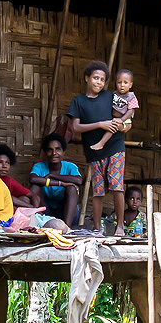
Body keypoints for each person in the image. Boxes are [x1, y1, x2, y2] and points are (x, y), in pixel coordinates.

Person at [67, 60, 126, 235]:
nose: (98, 82)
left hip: (115, 147)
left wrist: (123, 125)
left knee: (117, 186)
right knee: (98, 191)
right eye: (95, 78)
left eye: (102, 79)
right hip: (94, 151)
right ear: (87, 78)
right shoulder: (78, 101)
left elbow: (126, 115)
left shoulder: (110, 97)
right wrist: (100, 124)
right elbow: (75, 127)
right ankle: (97, 228)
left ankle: (120, 227)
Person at [28, 133, 81, 224]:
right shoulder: (39, 166)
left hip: (65, 212)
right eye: (50, 150)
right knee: (35, 187)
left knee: (72, 188)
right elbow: (32, 179)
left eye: (58, 149)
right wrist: (61, 183)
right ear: (45, 153)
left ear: (63, 151)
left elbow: (78, 180)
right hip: (45, 210)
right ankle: (36, 221)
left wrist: (52, 176)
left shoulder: (70, 167)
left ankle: (67, 228)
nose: (54, 153)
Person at [90, 69, 139, 151]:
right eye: (119, 82)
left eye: (125, 83)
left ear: (130, 85)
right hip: (113, 118)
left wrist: (121, 119)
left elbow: (131, 111)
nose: (122, 85)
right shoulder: (114, 94)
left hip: (125, 121)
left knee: (113, 126)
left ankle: (101, 143)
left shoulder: (131, 97)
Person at [0, 143, 35, 208]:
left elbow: (33, 195)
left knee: (25, 199)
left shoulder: (9, 181)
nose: (4, 166)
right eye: (0, 162)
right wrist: (32, 208)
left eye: (7, 163)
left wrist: (36, 209)